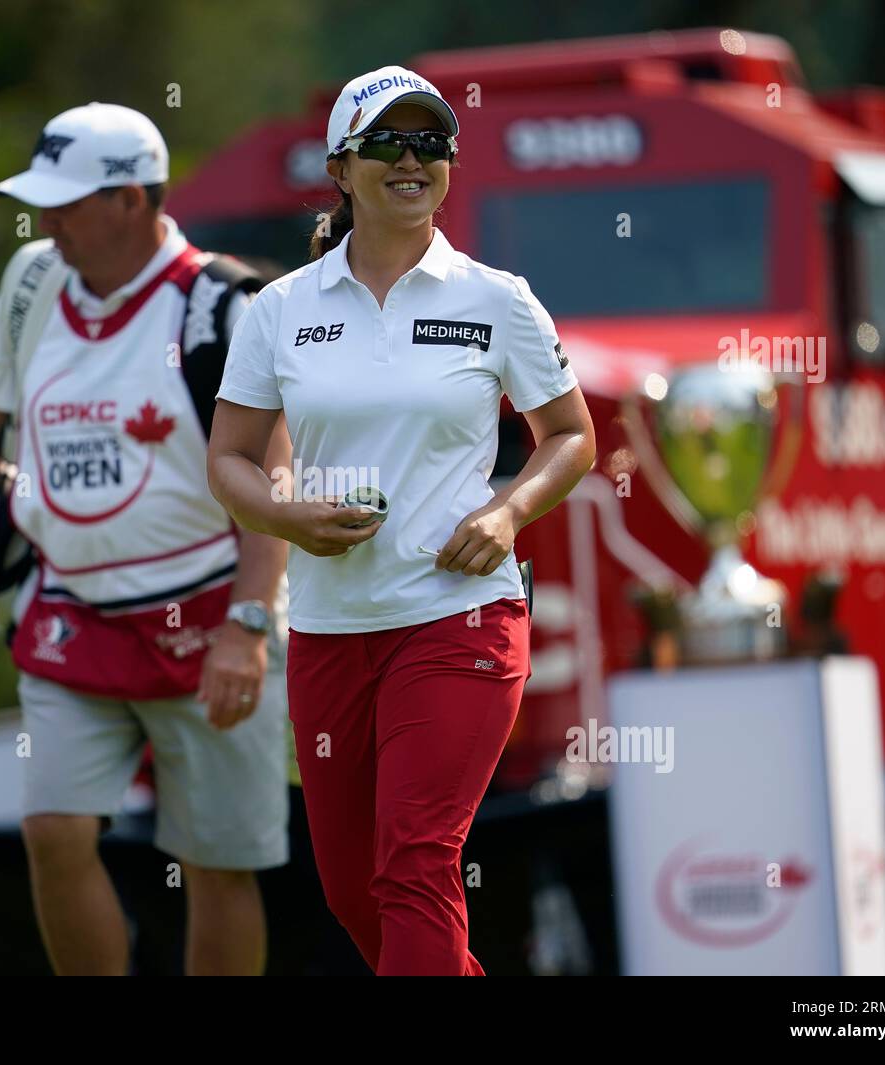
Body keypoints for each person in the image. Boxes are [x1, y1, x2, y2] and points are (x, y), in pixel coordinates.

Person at [207, 66, 597, 976]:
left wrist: (506, 513)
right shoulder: (279, 310)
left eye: (430, 142)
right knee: (351, 888)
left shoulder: (499, 298)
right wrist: (287, 518)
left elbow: (571, 436)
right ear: (343, 170)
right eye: (387, 142)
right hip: (331, 631)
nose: (411, 159)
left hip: (461, 617)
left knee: (414, 862)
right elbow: (228, 460)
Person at [0, 103, 292, 976]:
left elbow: (275, 477)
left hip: (211, 618)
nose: (47, 222)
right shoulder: (33, 278)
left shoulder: (222, 303)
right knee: (53, 832)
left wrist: (249, 625)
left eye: (66, 203)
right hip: (72, 613)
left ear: (131, 200)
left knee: (219, 864)